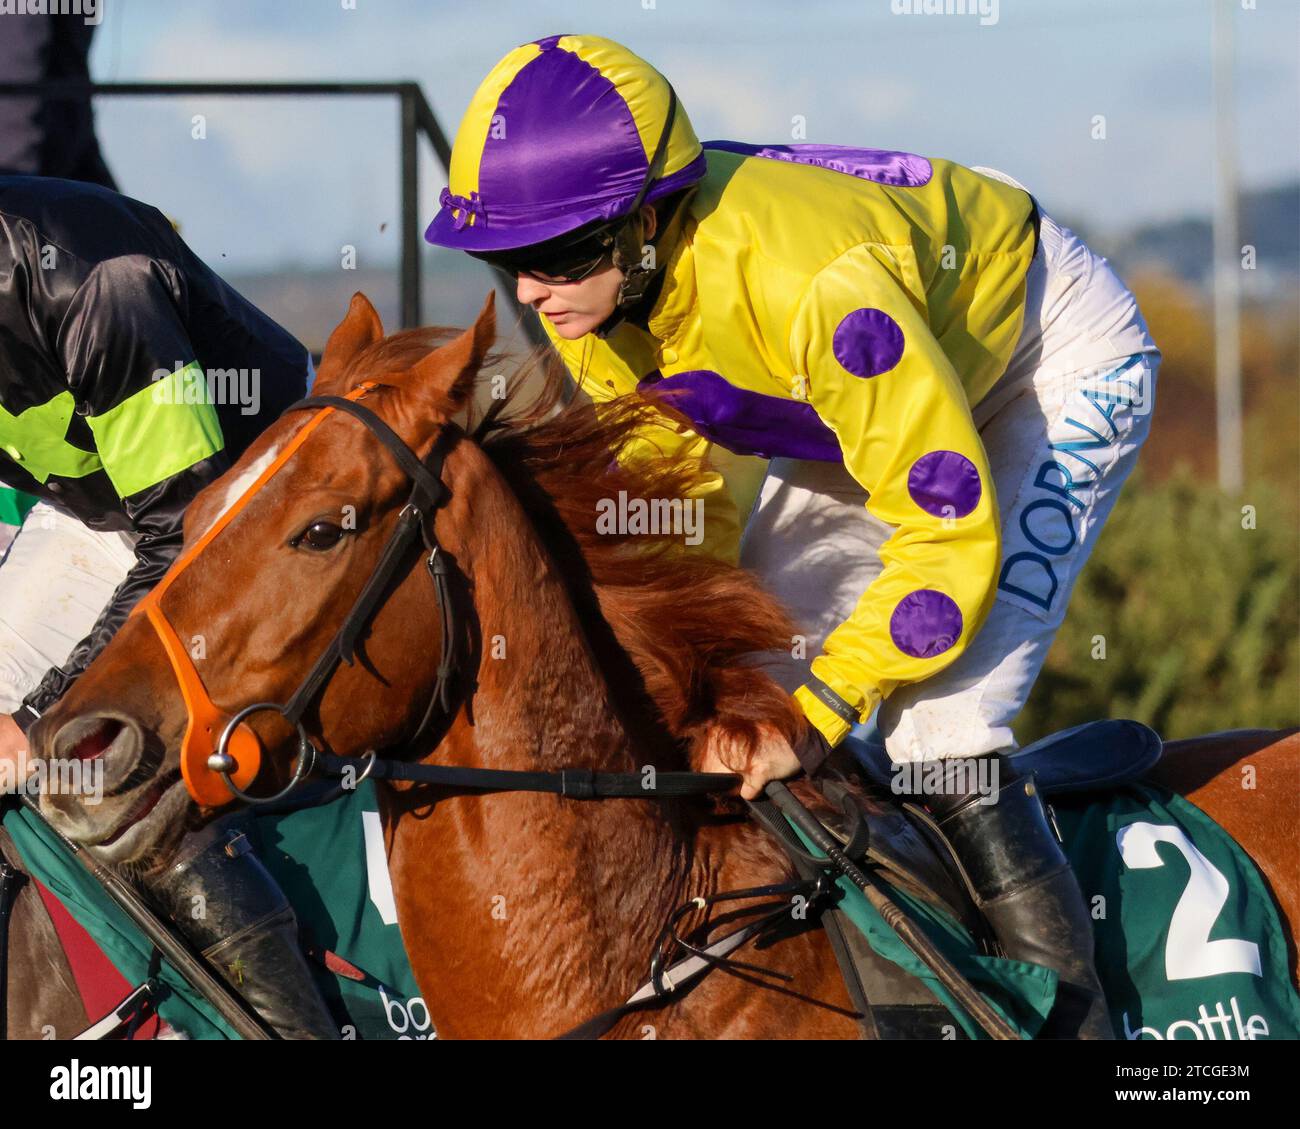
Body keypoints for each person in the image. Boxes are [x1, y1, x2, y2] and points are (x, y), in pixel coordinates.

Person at [425, 33, 1161, 1039]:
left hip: (1042, 359)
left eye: (551, 256)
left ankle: (1076, 1029)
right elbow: (681, 507)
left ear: (645, 220)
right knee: (750, 660)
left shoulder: (815, 288)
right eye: (503, 258)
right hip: (860, 398)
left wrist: (815, 711)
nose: (528, 293)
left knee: (936, 729)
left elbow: (943, 543)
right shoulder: (591, 296)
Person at [0, 175, 338, 1038]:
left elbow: (180, 538)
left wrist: (39, 714)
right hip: (105, 510)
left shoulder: (96, 281)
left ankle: (278, 1024)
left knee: (95, 749)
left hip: (253, 511)